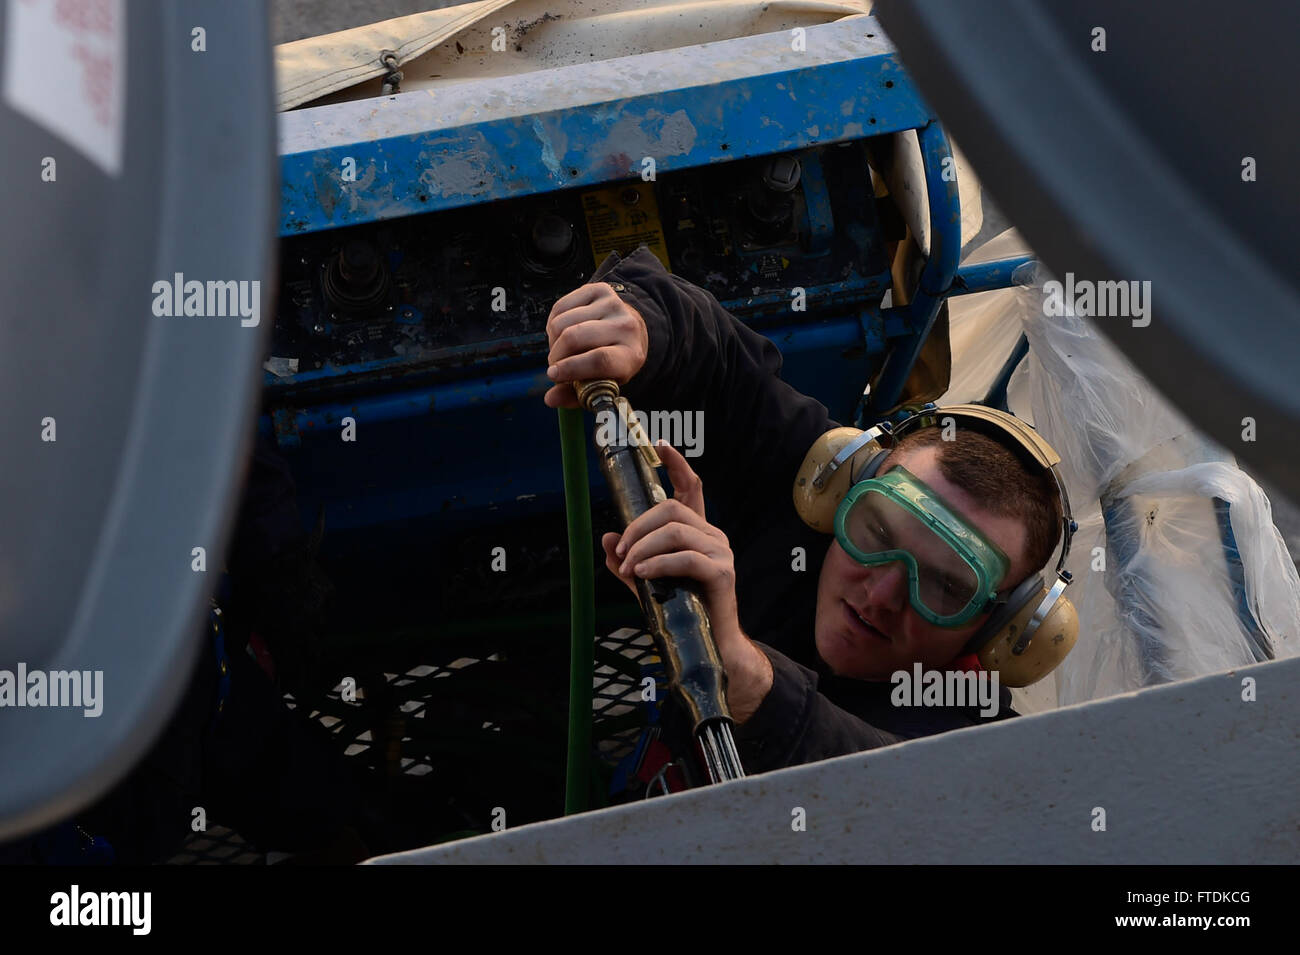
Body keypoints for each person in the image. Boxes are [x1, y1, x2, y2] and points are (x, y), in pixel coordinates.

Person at [543, 245, 1074, 774]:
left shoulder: (977, 739)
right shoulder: (812, 477)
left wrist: (750, 681)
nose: (883, 593)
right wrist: (642, 324)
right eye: (876, 531)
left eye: (944, 586)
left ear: (1002, 629)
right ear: (840, 490)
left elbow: (919, 795)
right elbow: (719, 363)